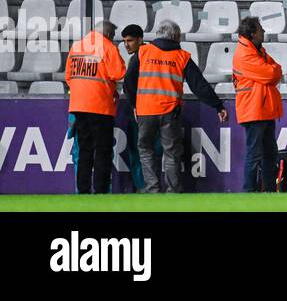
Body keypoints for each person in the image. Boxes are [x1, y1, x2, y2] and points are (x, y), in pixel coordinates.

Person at [124, 20, 228, 193]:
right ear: (174, 37)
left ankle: (153, 190)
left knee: (145, 150)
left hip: (145, 111)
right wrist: (217, 105)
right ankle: (173, 192)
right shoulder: (182, 56)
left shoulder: (143, 52)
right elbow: (199, 85)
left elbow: (128, 81)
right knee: (171, 153)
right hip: (170, 112)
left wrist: (134, 105)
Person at [66, 21, 125, 195]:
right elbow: (119, 72)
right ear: (108, 35)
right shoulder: (107, 47)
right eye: (112, 36)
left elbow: (68, 77)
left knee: (84, 150)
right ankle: (100, 191)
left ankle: (83, 190)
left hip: (78, 105)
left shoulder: (77, 46)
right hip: (100, 106)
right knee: (103, 150)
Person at [233, 17, 284, 193]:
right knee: (254, 155)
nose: (264, 32)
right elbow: (271, 73)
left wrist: (274, 70)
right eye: (261, 30)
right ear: (252, 34)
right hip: (254, 110)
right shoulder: (245, 53)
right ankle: (249, 192)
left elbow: (277, 68)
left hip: (264, 109)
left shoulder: (257, 50)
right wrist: (273, 71)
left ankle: (268, 190)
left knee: (270, 153)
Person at [119, 23, 146, 192]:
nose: (126, 44)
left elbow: (128, 83)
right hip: (152, 109)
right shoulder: (147, 54)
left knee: (138, 152)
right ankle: (147, 187)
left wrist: (134, 105)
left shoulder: (138, 57)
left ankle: (142, 187)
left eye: (129, 41)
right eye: (124, 41)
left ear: (140, 40)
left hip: (141, 111)